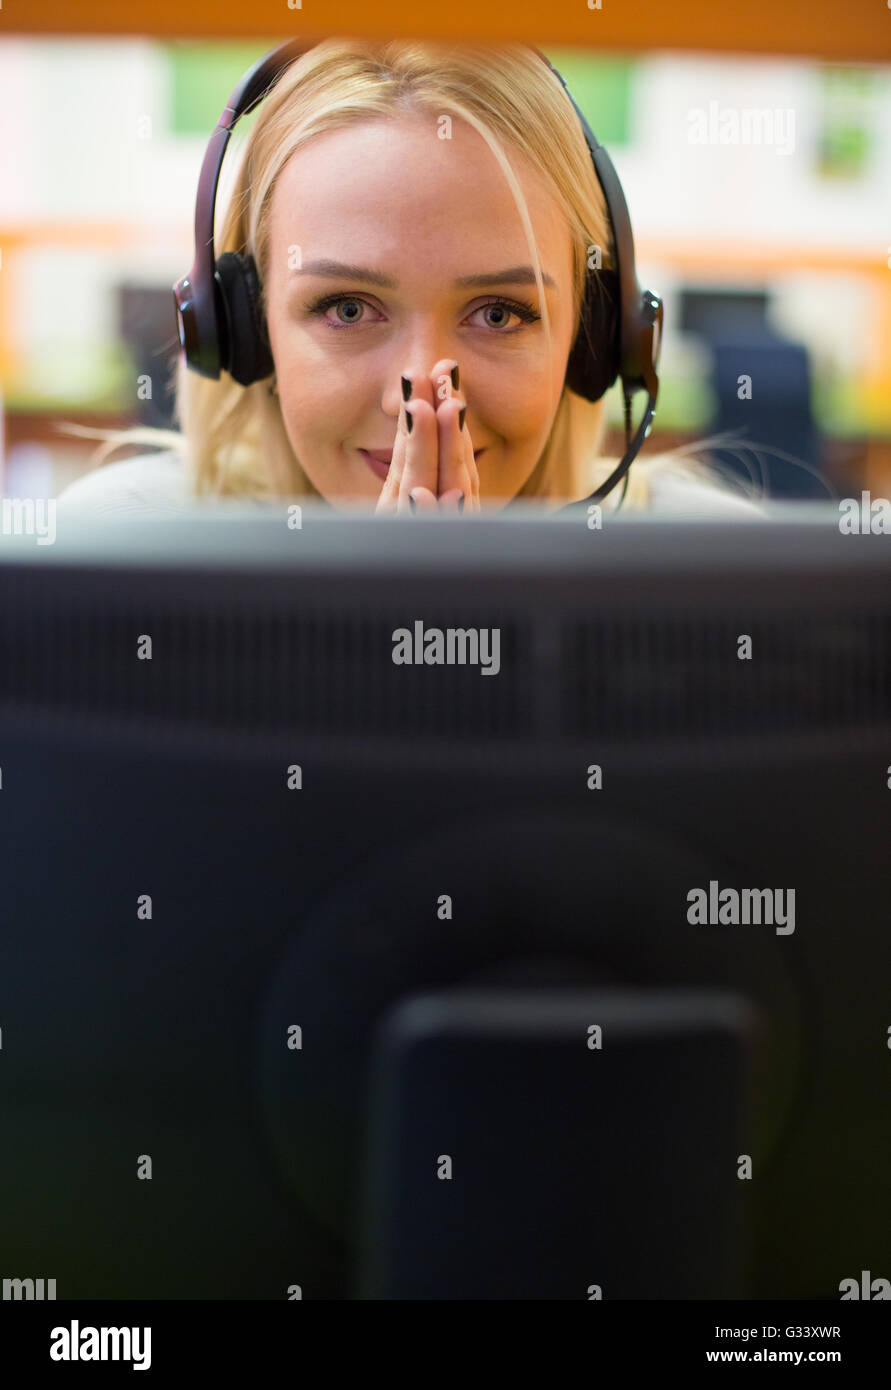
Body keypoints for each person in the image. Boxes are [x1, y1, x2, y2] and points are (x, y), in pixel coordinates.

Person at [57, 38, 763, 520]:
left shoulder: (739, 584)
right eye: (347, 308)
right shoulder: (109, 547)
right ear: (243, 327)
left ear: (595, 333)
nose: (423, 393)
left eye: (498, 313)